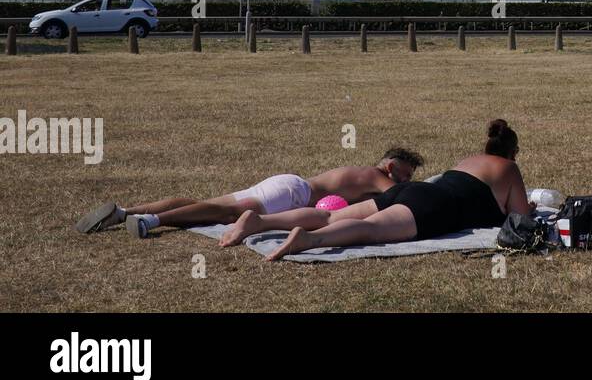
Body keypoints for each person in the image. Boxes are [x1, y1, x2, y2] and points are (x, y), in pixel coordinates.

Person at [220, 119, 531, 261]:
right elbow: (520, 218)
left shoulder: (470, 160)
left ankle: (260, 222)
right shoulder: (509, 168)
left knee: (330, 216)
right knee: (368, 231)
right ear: (512, 152)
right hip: (434, 209)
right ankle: (309, 240)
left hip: (416, 191)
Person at [75, 147, 425, 238]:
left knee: (206, 206)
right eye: (406, 176)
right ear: (392, 166)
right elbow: (398, 197)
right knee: (223, 213)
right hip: (291, 195)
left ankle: (124, 212)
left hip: (285, 185)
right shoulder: (377, 175)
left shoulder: (362, 176)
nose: (405, 183)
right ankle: (151, 220)